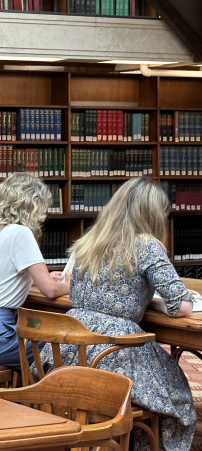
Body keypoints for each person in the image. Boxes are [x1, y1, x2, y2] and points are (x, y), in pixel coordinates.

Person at [40, 177, 195, 451]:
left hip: (71, 349)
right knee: (177, 393)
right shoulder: (147, 245)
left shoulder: (90, 241)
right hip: (114, 353)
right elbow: (181, 305)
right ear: (152, 214)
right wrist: (168, 302)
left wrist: (152, 304)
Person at [0, 172, 68, 370]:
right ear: (34, 205)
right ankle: (36, 400)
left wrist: (37, 278)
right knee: (66, 347)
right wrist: (73, 283)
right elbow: (50, 291)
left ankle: (26, 399)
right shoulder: (21, 233)